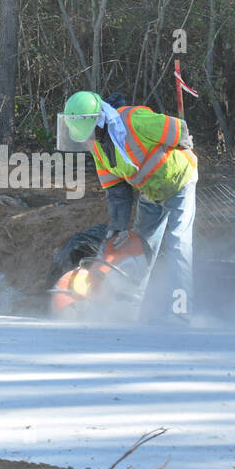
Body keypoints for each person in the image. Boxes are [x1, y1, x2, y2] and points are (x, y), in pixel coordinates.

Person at [61, 90, 197, 324]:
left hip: (179, 181)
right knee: (138, 251)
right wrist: (117, 226)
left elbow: (179, 129)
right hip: (151, 192)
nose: (86, 139)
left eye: (89, 133)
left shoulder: (133, 121)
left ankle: (180, 314)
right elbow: (117, 192)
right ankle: (128, 313)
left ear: (99, 120)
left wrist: (183, 152)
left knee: (177, 245)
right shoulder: (99, 148)